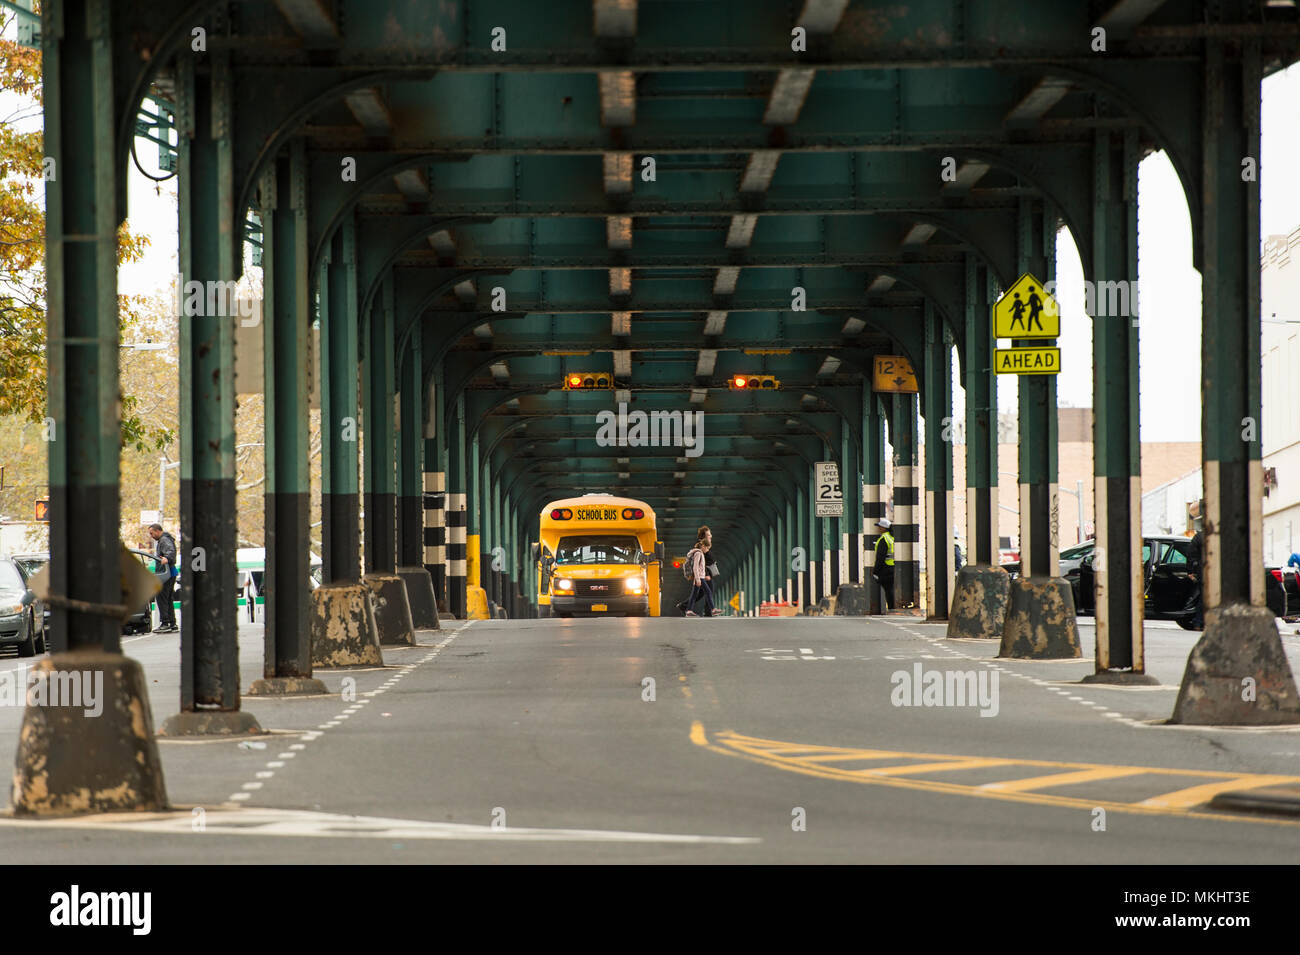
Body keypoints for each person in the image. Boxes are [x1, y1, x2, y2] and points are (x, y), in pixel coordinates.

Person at [148, 522, 179, 633]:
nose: (151, 536)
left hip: (166, 573)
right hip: (170, 573)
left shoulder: (164, 540)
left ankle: (165, 623)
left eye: (152, 533)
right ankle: (172, 623)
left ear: (157, 531)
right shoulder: (165, 539)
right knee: (168, 598)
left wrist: (167, 558)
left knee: (161, 598)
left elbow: (170, 551)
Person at [684, 539, 716, 617]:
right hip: (700, 577)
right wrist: (698, 579)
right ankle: (713, 610)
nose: (707, 550)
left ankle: (689, 611)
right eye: (707, 548)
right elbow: (695, 567)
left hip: (699, 577)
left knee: (694, 594)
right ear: (703, 546)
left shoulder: (699, 553)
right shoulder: (698, 553)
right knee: (708, 592)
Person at [1185, 522, 1204, 631]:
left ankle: (1198, 622)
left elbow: (1190, 555)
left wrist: (1191, 571)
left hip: (1203, 571)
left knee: (1203, 597)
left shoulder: (1199, 536)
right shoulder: (1221, 536)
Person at [872, 518, 895, 611]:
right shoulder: (892, 537)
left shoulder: (884, 539)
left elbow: (880, 557)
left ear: (883, 528)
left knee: (888, 590)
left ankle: (891, 607)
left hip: (885, 568)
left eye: (879, 527)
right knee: (891, 588)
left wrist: (875, 571)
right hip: (893, 566)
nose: (878, 529)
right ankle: (892, 607)